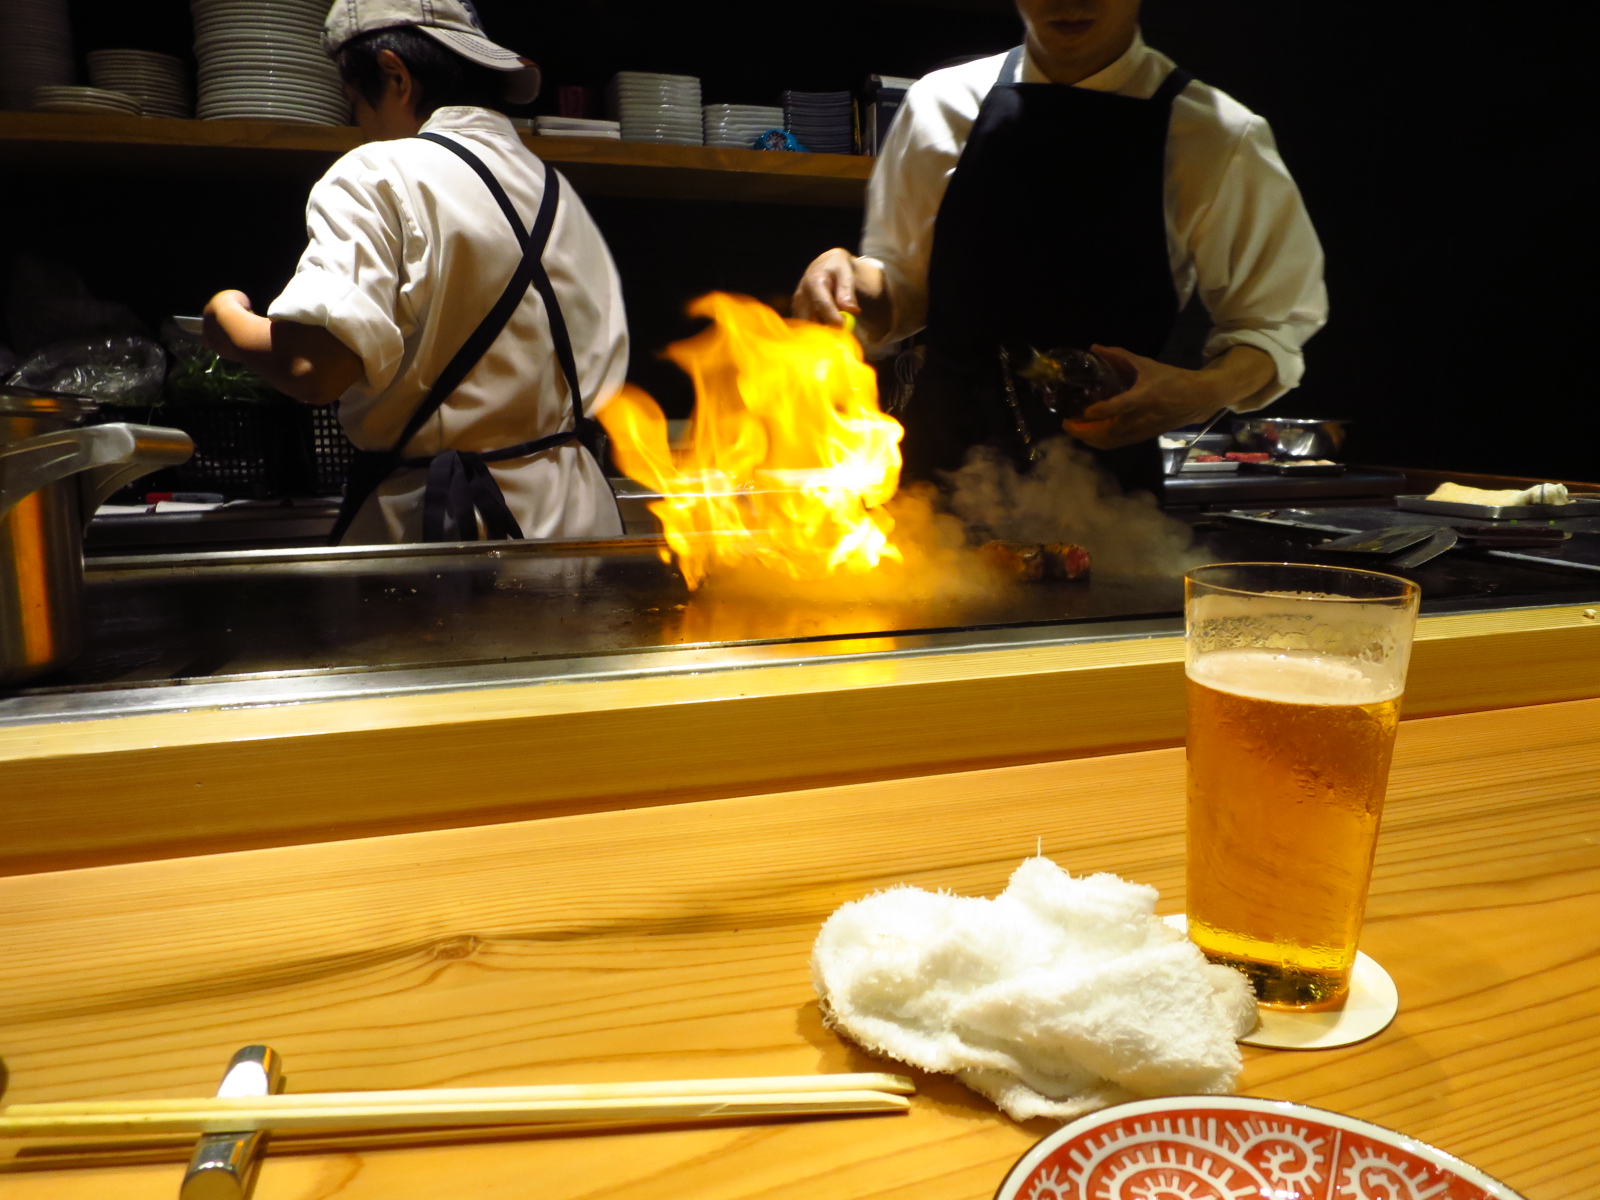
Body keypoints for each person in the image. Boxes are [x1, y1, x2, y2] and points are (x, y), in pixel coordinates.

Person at [792, 0, 1326, 487]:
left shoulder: (1218, 134)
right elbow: (906, 287)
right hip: (940, 489)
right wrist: (848, 279)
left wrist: (1201, 393)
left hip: (1107, 500)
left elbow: (1273, 324)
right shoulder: (940, 102)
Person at [202, 0, 628, 544]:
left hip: (456, 533)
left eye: (356, 104)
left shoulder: (378, 172)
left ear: (395, 76)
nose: (362, 127)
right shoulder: (556, 191)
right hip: (581, 519)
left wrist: (229, 324)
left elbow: (314, 367)